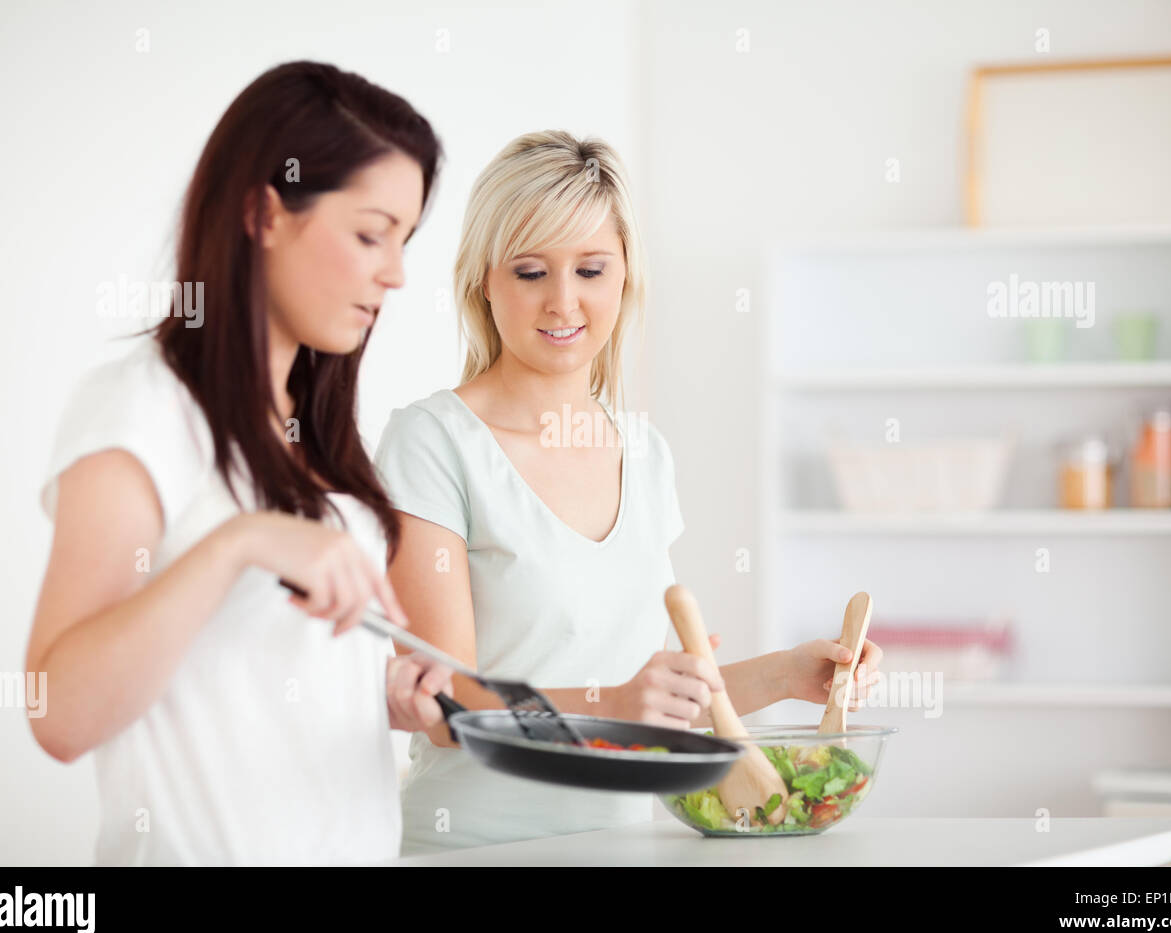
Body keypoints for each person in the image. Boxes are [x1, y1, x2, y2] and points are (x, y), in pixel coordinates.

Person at [375, 131, 884, 854]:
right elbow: (443, 707)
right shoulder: (432, 443)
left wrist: (785, 675)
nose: (563, 301)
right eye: (529, 271)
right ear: (483, 281)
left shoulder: (643, 452)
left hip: (621, 847)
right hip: (473, 848)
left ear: (624, 279)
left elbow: (657, 701)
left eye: (590, 269)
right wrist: (613, 705)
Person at [25, 61, 453, 865]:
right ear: (264, 211)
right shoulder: (142, 408)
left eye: (405, 242)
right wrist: (240, 544)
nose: (395, 274)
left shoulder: (314, 426)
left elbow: (258, 675)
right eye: (371, 234)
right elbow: (58, 713)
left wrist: (380, 693)